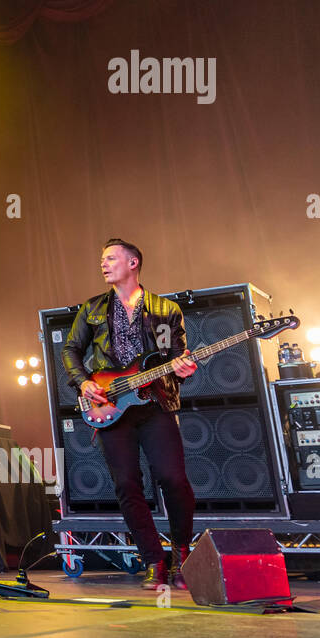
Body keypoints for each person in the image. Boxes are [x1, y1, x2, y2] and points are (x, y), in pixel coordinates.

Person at [62, 238, 198, 589]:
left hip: (154, 404)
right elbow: (71, 350)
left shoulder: (163, 309)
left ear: (133, 262)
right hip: (109, 403)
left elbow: (171, 352)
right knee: (126, 485)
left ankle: (182, 553)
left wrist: (180, 366)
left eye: (110, 258)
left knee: (173, 479)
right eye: (101, 259)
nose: (103, 264)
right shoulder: (92, 308)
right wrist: (82, 383)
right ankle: (154, 561)